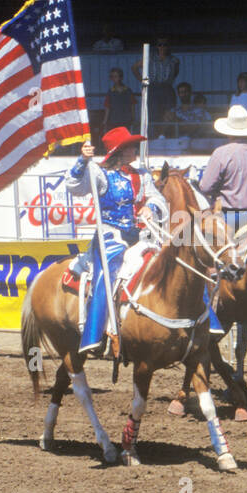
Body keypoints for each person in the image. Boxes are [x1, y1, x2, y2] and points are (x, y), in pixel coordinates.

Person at [62, 128, 169, 354]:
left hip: (141, 235)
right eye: (129, 147)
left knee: (169, 261)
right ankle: (95, 334)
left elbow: (158, 199)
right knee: (107, 272)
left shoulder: (143, 175)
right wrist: (83, 160)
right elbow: (73, 187)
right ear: (118, 151)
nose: (134, 150)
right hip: (111, 235)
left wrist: (151, 207)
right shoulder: (99, 173)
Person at [199, 105, 247, 232]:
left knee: (200, 237)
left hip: (233, 217)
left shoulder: (222, 153)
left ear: (227, 131)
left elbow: (206, 187)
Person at [144, 37, 181, 132]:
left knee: (168, 113)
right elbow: (134, 67)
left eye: (165, 45)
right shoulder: (150, 58)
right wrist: (144, 80)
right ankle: (154, 135)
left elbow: (175, 72)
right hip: (154, 87)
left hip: (167, 88)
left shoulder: (174, 60)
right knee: (154, 113)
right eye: (160, 45)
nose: (162, 47)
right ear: (157, 46)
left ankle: (166, 134)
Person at [102, 68, 136, 140]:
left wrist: (133, 117)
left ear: (121, 77)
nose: (114, 79)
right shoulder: (111, 91)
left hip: (126, 120)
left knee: (125, 139)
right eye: (112, 77)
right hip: (114, 120)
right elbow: (107, 107)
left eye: (116, 76)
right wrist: (105, 121)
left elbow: (132, 105)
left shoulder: (128, 90)